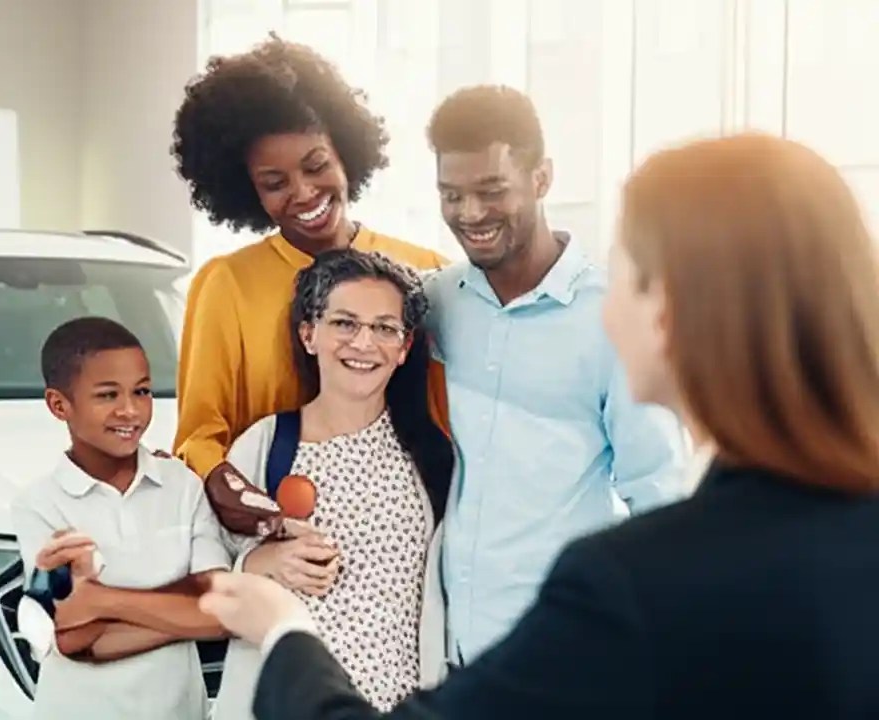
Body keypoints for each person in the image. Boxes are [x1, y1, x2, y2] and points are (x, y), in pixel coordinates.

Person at [197, 131, 879, 719]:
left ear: (671, 314)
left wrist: (284, 629)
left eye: (626, 281)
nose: (604, 309)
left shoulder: (630, 582)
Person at [421, 85, 689, 663]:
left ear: (541, 179)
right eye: (452, 195)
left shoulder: (611, 316)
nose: (469, 214)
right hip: (453, 650)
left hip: (566, 649)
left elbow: (658, 490)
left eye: (491, 191)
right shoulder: (439, 301)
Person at [170, 34, 449, 480]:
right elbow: (198, 439)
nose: (303, 193)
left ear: (345, 151)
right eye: (274, 183)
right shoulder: (228, 284)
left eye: (316, 165)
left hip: (406, 524)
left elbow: (449, 423)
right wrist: (241, 503)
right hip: (271, 526)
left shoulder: (429, 271)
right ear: (248, 191)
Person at [210, 249, 454, 720]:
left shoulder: (432, 458)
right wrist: (265, 561)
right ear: (309, 334)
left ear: (404, 348)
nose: (364, 343)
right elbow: (208, 585)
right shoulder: (263, 449)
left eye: (385, 328)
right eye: (344, 323)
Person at [9, 316, 233, 720]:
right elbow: (76, 639)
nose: (130, 410)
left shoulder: (183, 486)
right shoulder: (40, 504)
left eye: (142, 391)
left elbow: (219, 609)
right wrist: (185, 611)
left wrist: (103, 602)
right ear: (59, 405)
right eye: (107, 395)